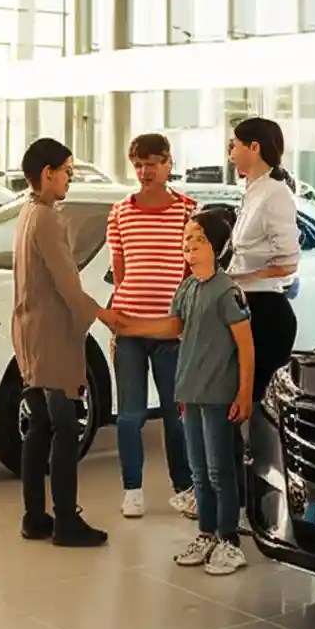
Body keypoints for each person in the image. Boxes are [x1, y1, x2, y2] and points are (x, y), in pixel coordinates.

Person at [116, 210, 255, 574]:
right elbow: (173, 327)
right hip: (190, 392)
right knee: (197, 470)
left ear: (219, 247)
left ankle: (229, 541)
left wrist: (244, 393)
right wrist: (126, 325)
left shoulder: (228, 291)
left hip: (218, 395)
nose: (189, 249)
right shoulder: (188, 287)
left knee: (219, 469)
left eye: (198, 242)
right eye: (186, 242)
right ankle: (206, 533)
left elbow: (246, 346)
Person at [12, 137, 121, 548]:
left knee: (39, 425)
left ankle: (34, 515)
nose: (69, 181)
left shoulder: (26, 214)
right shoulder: (49, 219)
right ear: (48, 174)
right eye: (68, 173)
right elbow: (68, 287)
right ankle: (66, 520)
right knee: (64, 427)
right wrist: (105, 316)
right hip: (54, 336)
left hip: (29, 332)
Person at [105, 133, 196, 520]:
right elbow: (122, 273)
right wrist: (116, 323)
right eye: (139, 165)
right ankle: (132, 489)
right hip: (129, 328)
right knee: (130, 414)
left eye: (153, 163)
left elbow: (193, 272)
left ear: (168, 163)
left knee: (177, 415)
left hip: (170, 330)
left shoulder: (189, 211)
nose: (145, 171)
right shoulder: (120, 212)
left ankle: (184, 486)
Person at [226, 117, 300, 532]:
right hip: (244, 308)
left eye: (235, 144)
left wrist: (237, 279)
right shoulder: (252, 192)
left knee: (255, 413)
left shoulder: (275, 194)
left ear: (254, 147)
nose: (231, 152)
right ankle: (239, 503)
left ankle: (261, 506)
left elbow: (288, 262)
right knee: (241, 410)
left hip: (266, 312)